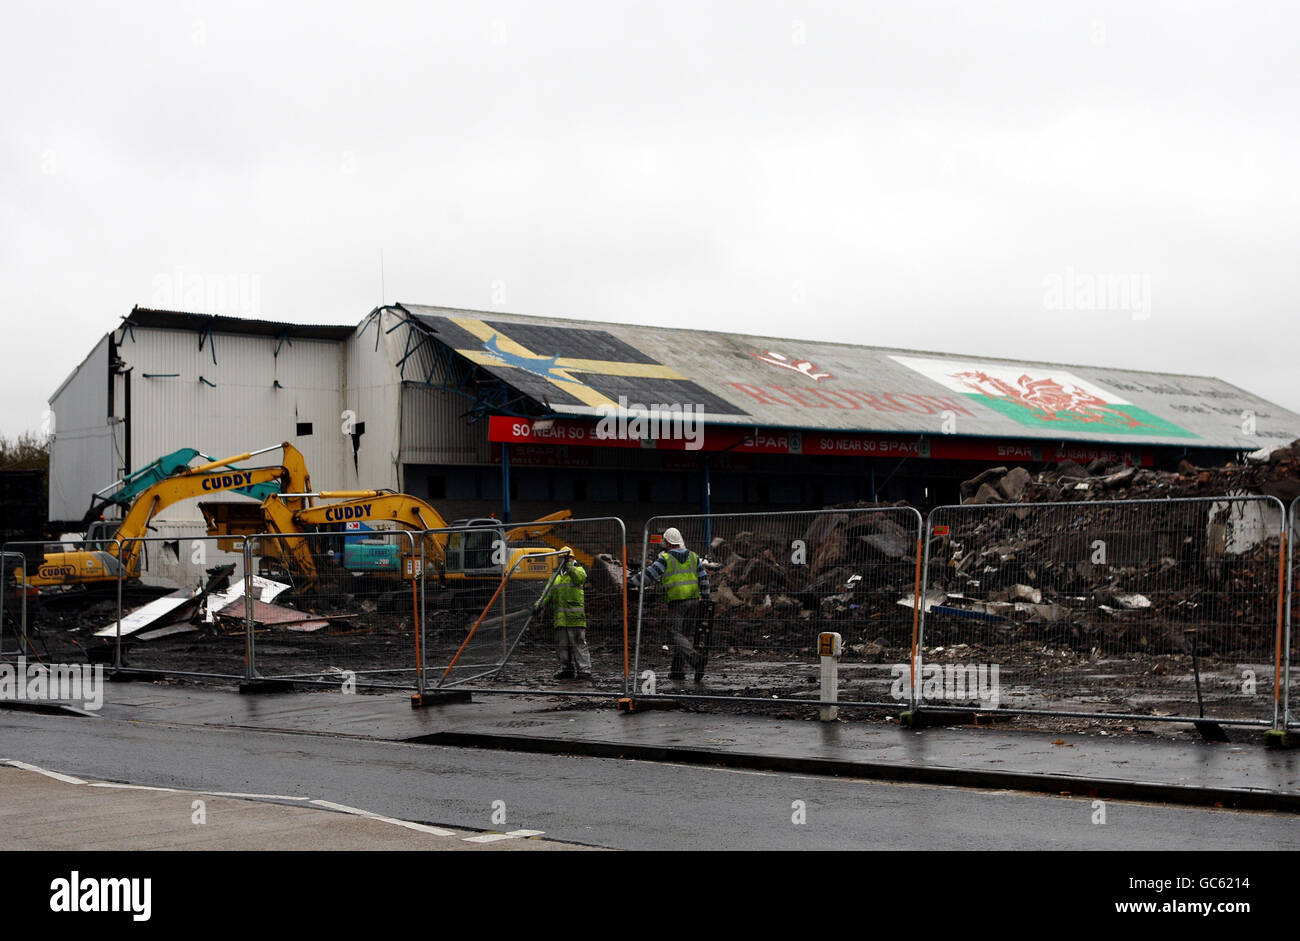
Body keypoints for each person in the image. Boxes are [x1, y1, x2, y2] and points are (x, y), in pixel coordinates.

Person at [631, 527, 710, 682]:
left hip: (677, 601)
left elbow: (649, 574)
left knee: (674, 634)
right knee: (684, 636)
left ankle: (696, 659)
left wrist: (630, 583)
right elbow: (704, 578)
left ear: (667, 542)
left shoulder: (665, 558)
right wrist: (706, 596)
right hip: (694, 600)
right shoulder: (694, 556)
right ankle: (677, 671)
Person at [536, 548, 592, 681]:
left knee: (578, 644)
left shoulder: (578, 571)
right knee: (562, 646)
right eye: (560, 558)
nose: (562, 561)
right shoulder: (556, 577)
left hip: (575, 618)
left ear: (571, 559)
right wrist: (537, 606)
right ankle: (566, 668)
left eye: (565, 558)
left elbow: (580, 578)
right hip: (561, 620)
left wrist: (568, 566)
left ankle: (584, 670)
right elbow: (547, 594)